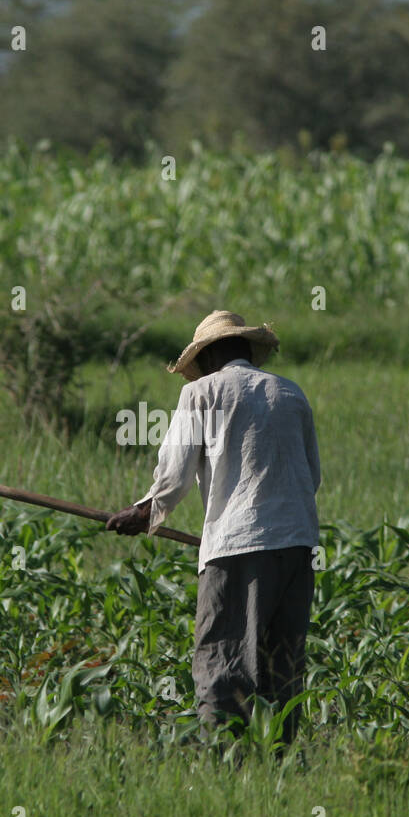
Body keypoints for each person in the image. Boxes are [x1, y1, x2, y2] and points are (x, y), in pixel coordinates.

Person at [106, 310, 321, 749]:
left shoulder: (201, 392)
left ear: (206, 356)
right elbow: (310, 477)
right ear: (246, 350)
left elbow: (174, 475)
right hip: (299, 546)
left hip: (236, 550)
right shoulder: (291, 393)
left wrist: (145, 512)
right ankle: (280, 763)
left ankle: (226, 763)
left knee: (222, 663)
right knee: (282, 667)